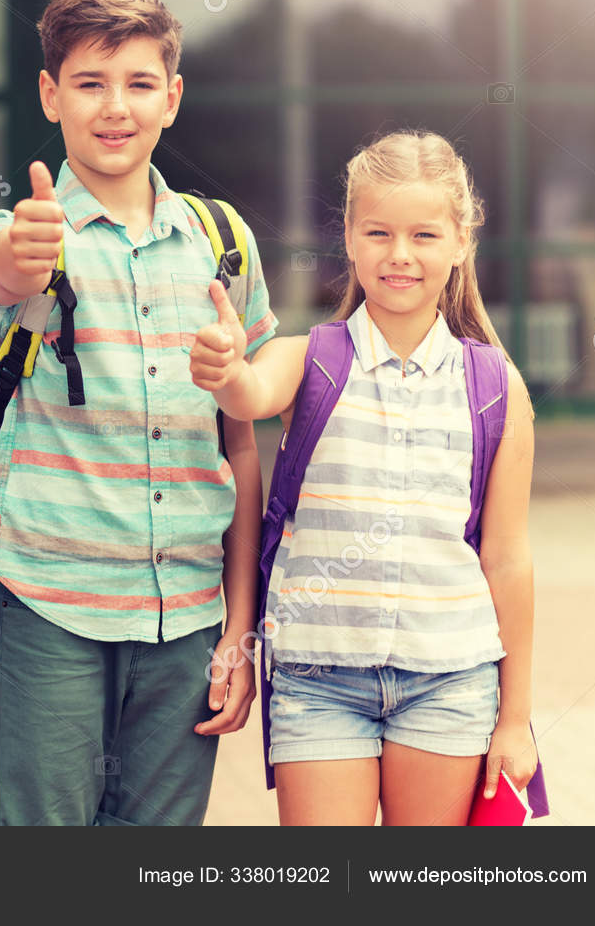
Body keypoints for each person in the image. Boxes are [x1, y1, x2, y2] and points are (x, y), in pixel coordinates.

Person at [0, 0, 276, 825]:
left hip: (189, 620)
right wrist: (22, 257)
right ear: (49, 94)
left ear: (172, 97)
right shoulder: (27, 232)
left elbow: (241, 445)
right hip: (49, 608)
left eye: (139, 83)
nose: (115, 108)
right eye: (90, 83)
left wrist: (240, 628)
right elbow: (0, 275)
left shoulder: (222, 242)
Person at [190, 130, 537, 825]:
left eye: (424, 235)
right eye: (378, 232)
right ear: (349, 238)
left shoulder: (497, 387)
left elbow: (506, 560)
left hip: (451, 683)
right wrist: (226, 369)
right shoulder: (309, 358)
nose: (399, 254)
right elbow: (248, 395)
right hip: (317, 683)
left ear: (461, 242)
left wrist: (515, 719)